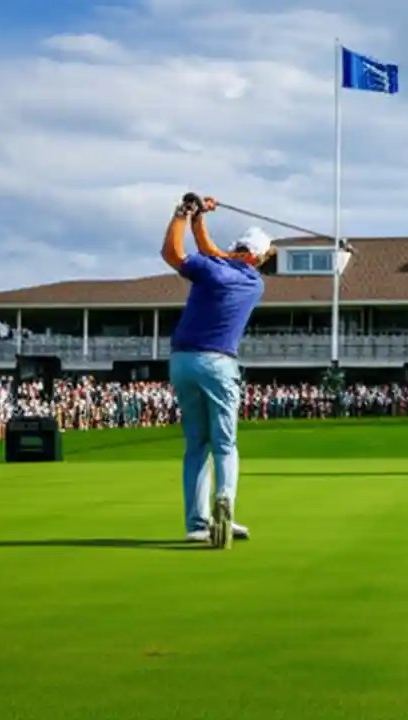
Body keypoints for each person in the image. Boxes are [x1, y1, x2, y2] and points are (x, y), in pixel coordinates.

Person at [162, 193, 274, 548]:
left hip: (182, 361)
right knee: (225, 444)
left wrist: (186, 214)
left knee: (196, 445)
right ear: (255, 257)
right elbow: (214, 253)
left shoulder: (211, 269)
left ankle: (197, 524)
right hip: (219, 363)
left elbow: (173, 253)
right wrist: (195, 217)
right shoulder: (255, 283)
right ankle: (224, 499)